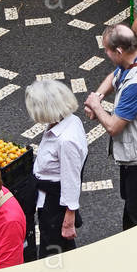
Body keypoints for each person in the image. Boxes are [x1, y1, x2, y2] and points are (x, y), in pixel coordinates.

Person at [86, 24, 137, 231]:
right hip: (134, 150)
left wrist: (96, 106)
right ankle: (129, 239)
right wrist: (99, 95)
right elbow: (115, 76)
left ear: (119, 51)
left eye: (106, 49)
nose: (105, 53)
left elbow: (114, 127)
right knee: (131, 201)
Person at [26, 80, 88, 259]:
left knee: (52, 250)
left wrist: (69, 220)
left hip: (54, 204)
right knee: (62, 248)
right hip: (49, 196)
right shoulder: (69, 121)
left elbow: (71, 179)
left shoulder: (65, 140)